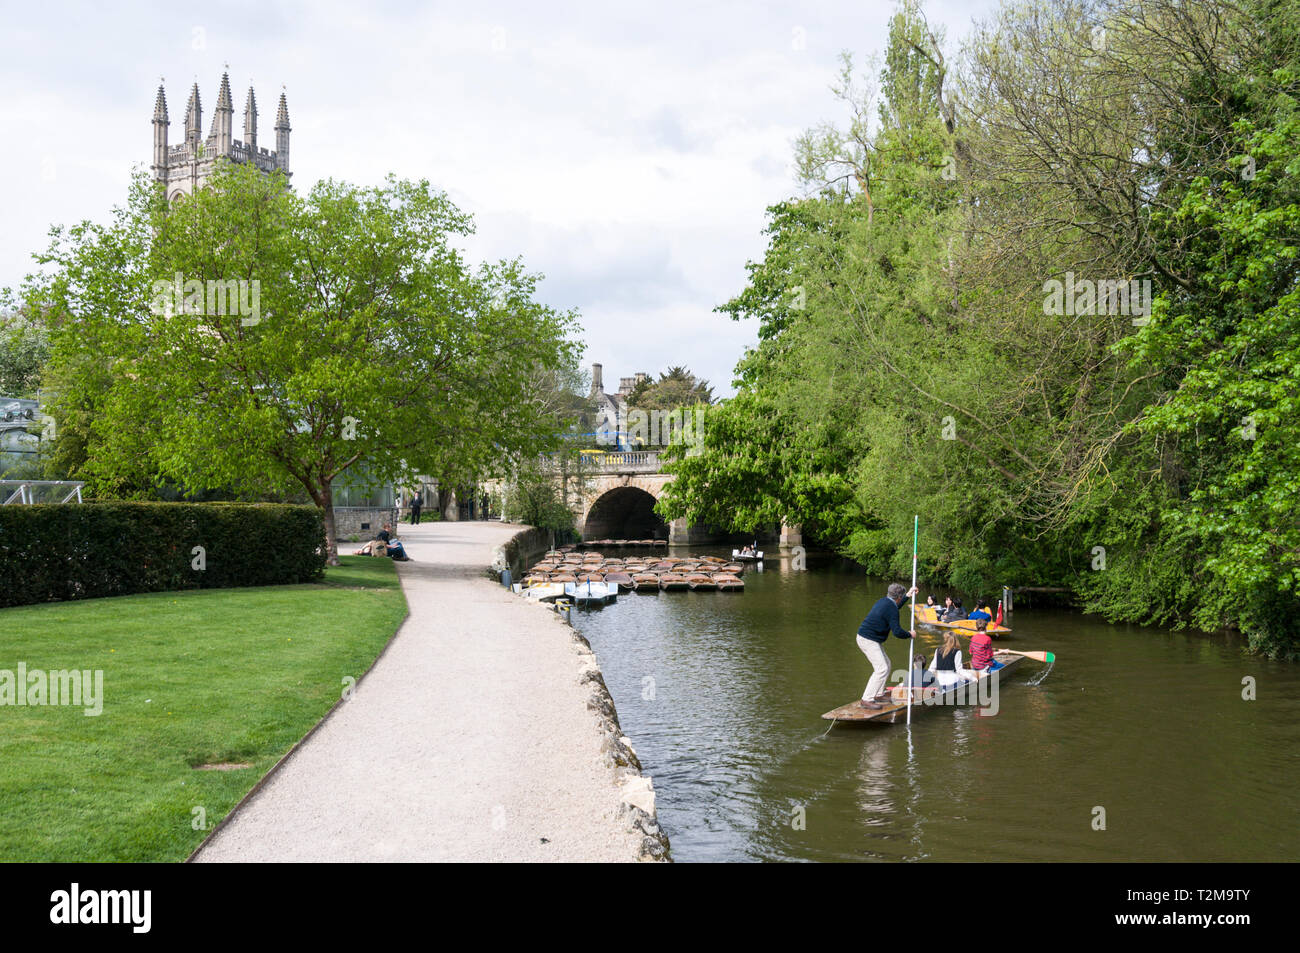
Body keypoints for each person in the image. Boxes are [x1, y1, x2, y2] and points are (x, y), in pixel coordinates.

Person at [856, 582, 918, 709]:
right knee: (881, 668)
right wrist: (909, 634)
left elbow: (895, 608)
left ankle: (878, 694)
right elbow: (897, 632)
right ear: (898, 597)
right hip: (867, 639)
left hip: (869, 638)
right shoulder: (891, 608)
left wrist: (908, 595)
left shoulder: (884, 601)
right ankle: (866, 699)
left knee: (887, 664)